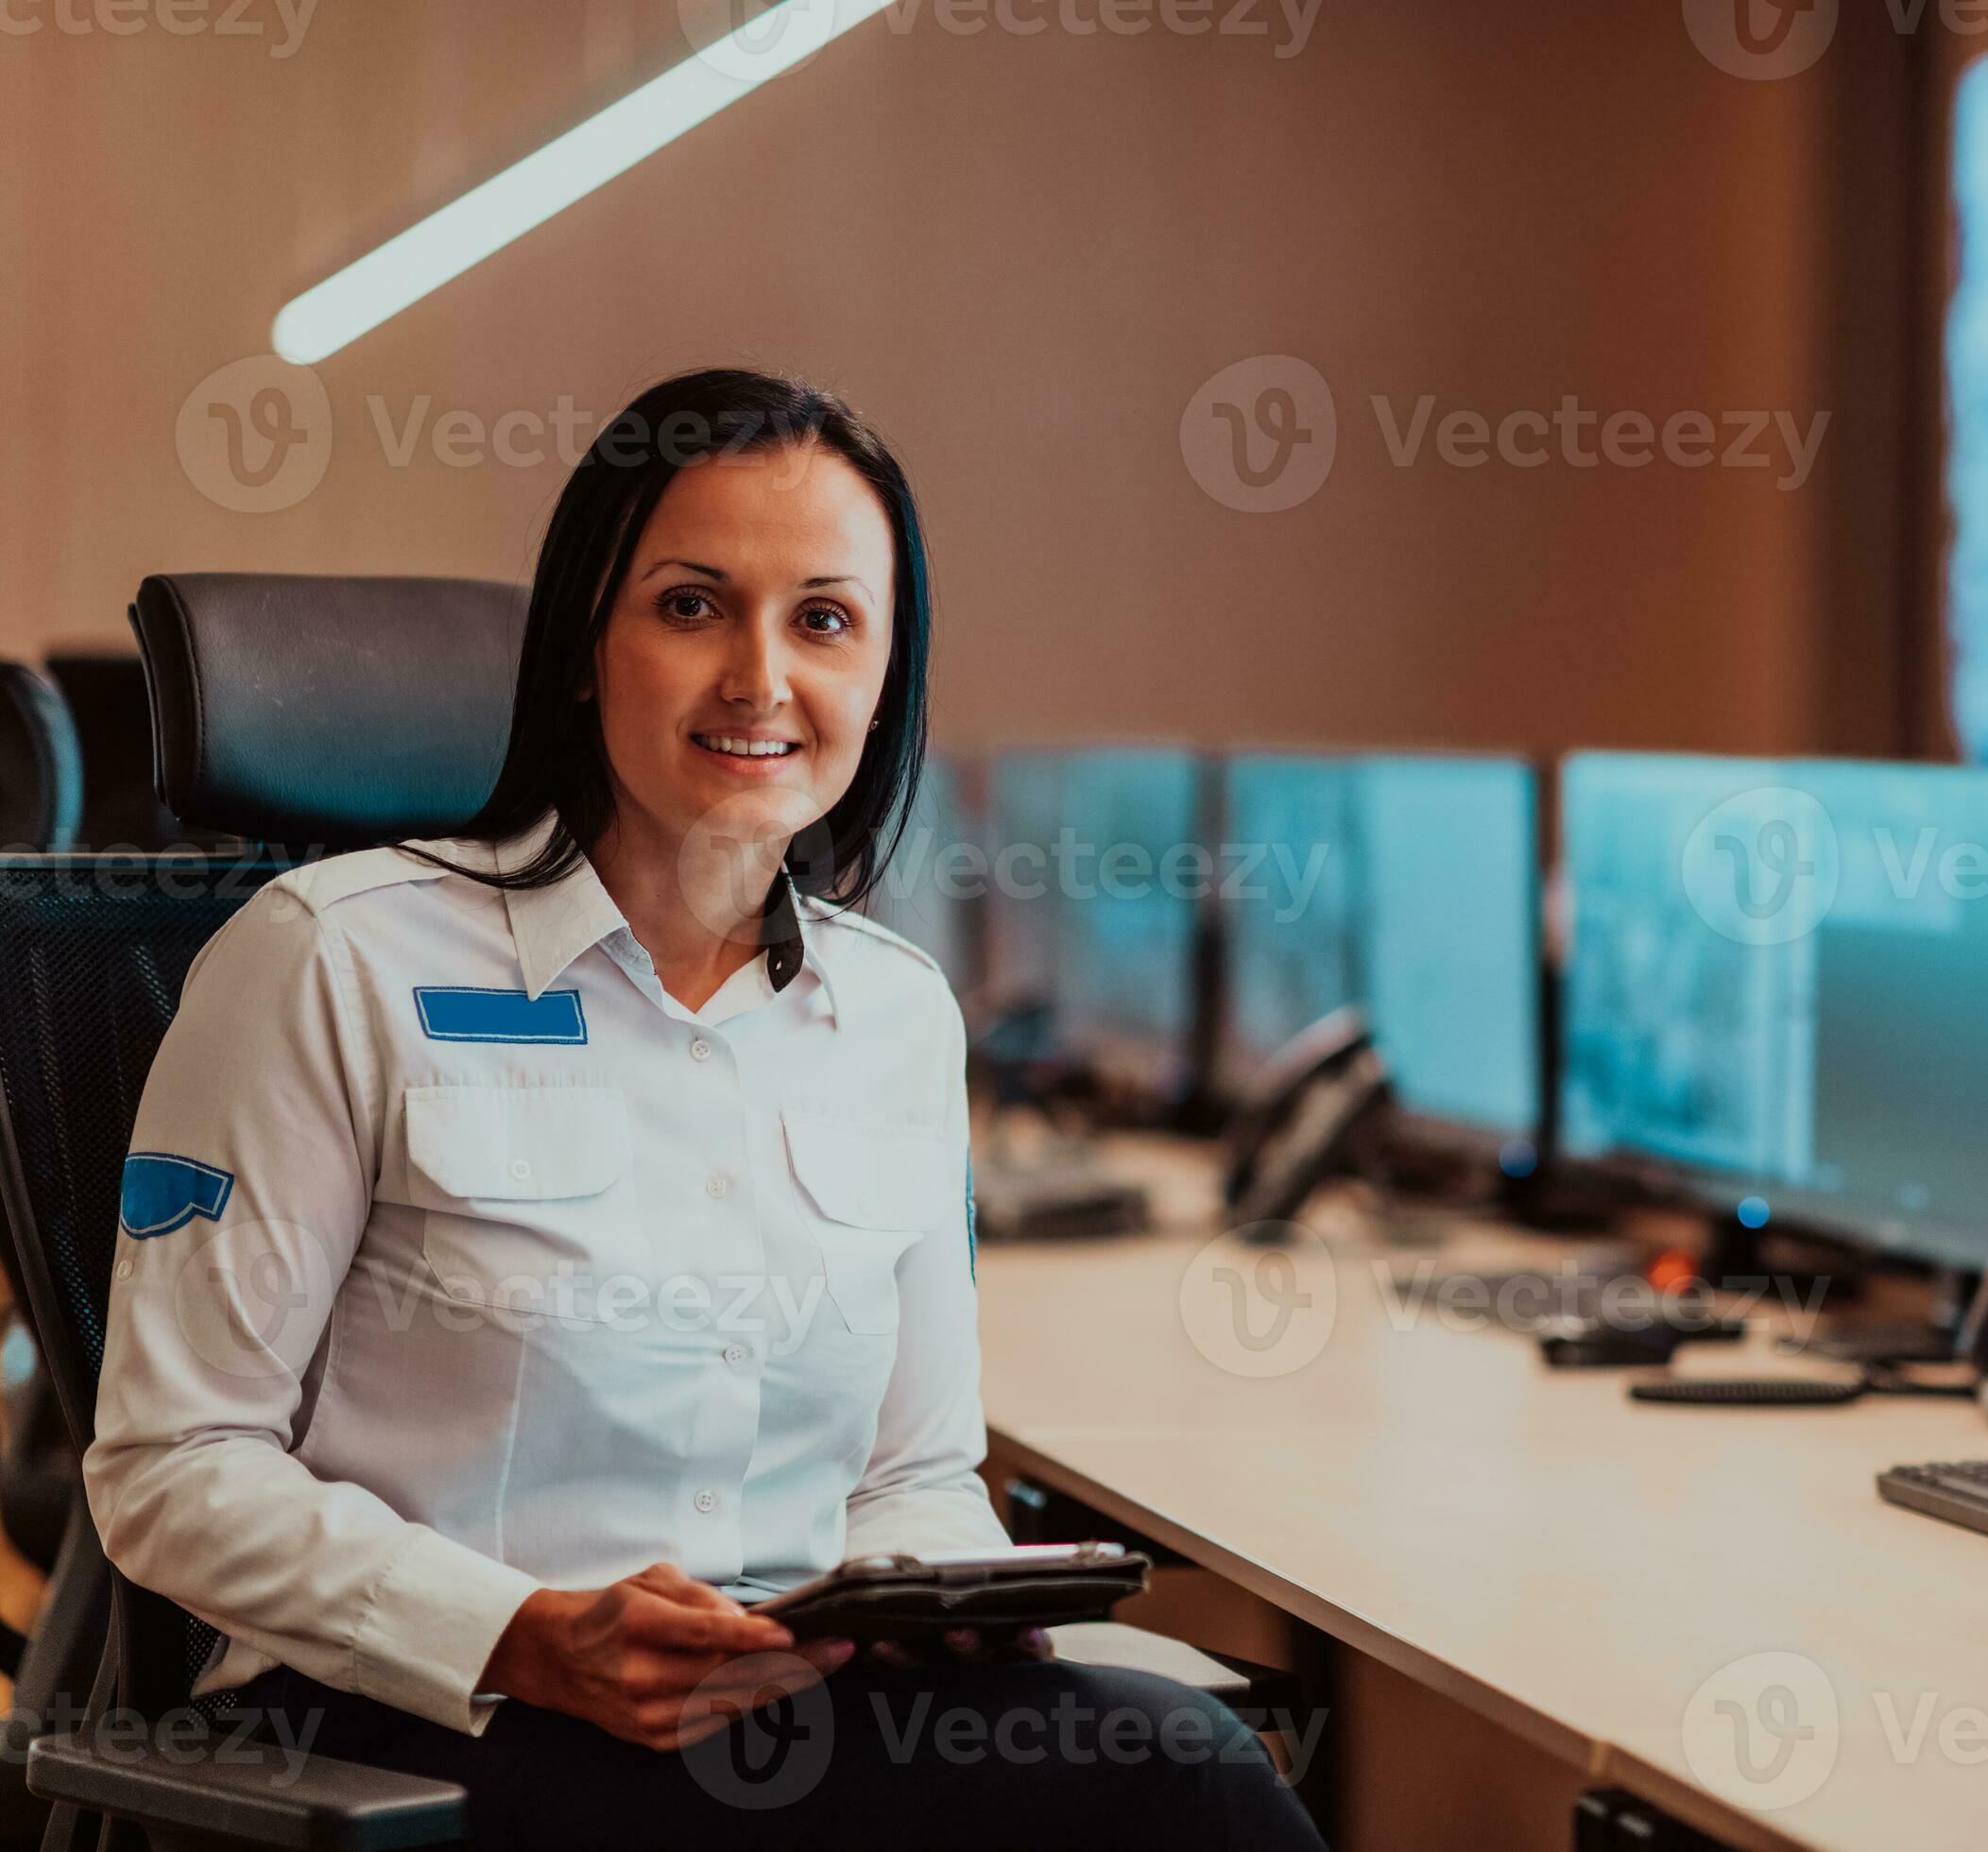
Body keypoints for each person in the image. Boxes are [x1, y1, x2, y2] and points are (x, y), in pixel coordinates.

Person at [82, 369, 1325, 1849]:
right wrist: (525, 1630)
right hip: (423, 1728)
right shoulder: (328, 958)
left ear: (885, 673)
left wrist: (948, 1600)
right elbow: (170, 1472)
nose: (760, 679)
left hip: (780, 1711)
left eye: (823, 619)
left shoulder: (897, 1015)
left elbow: (914, 1472)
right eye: (690, 606)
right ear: (584, 649)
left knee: (1182, 1763)